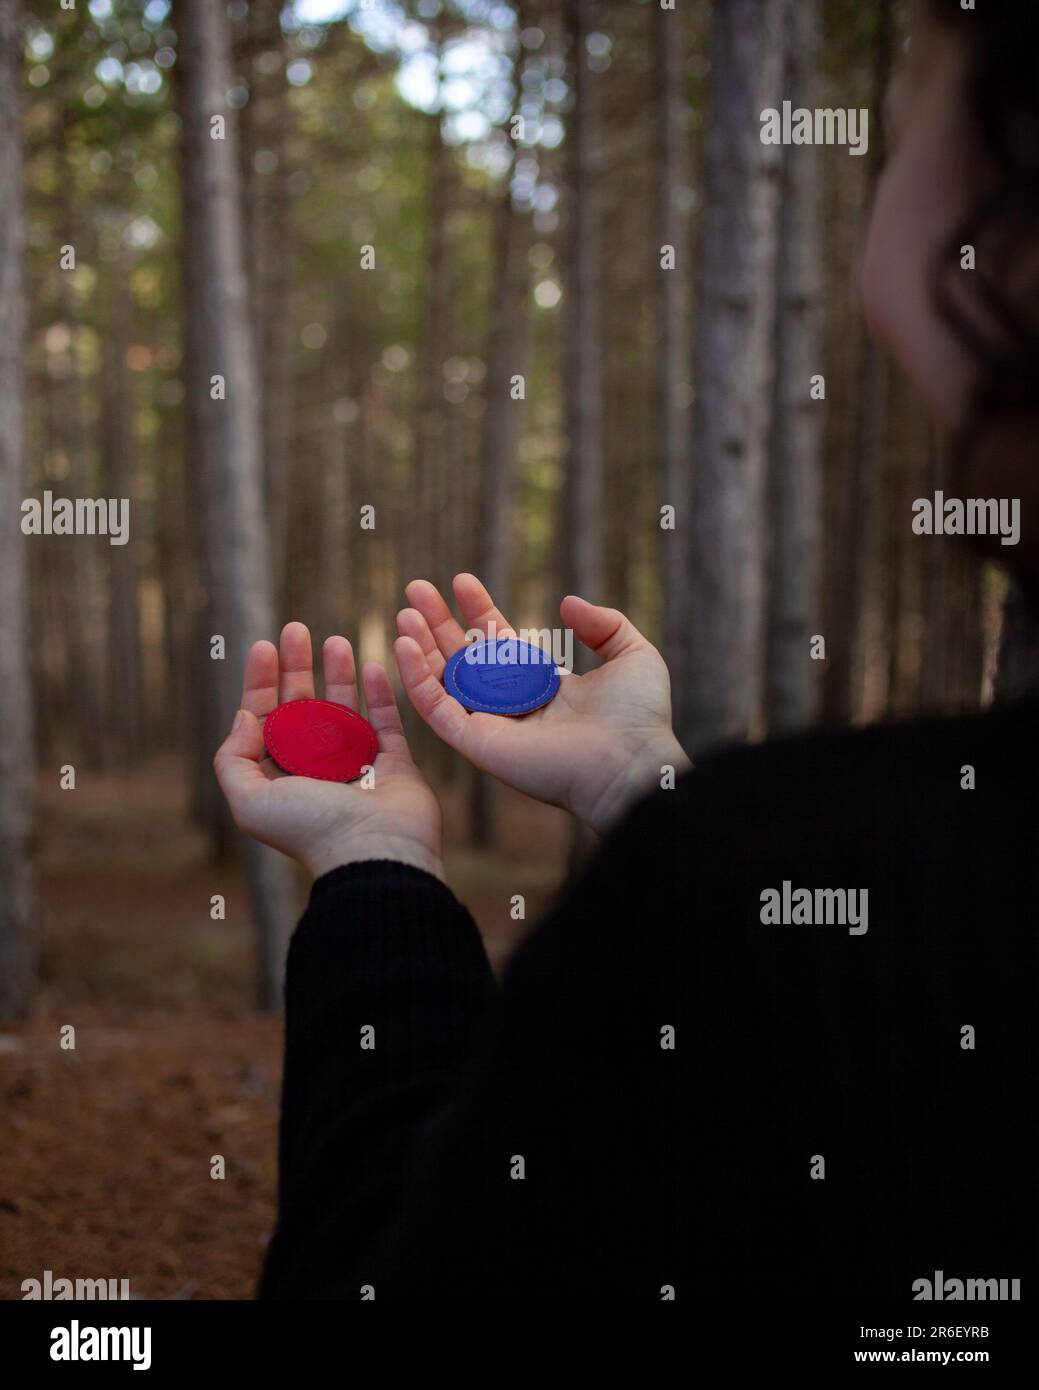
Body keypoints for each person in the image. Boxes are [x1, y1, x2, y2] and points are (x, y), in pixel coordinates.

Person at [213, 0, 1037, 1299]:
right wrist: (646, 779)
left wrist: (373, 870)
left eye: (897, 141)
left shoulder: (747, 901)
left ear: (998, 213)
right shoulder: (837, 889)